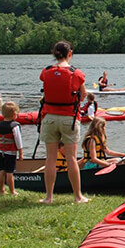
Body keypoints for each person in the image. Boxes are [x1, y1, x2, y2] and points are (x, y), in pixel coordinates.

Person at [39, 40, 88, 203]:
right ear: (70, 54)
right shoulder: (76, 73)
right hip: (69, 118)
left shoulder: (45, 71)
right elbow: (82, 95)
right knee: (72, 158)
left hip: (49, 117)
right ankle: (77, 196)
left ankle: (49, 197)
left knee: (50, 158)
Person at [0, 101, 24, 195]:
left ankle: (1, 190)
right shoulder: (14, 126)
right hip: (10, 152)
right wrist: (21, 153)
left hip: (0, 151)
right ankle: (12, 191)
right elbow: (18, 140)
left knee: (1, 171)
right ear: (14, 114)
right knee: (9, 172)